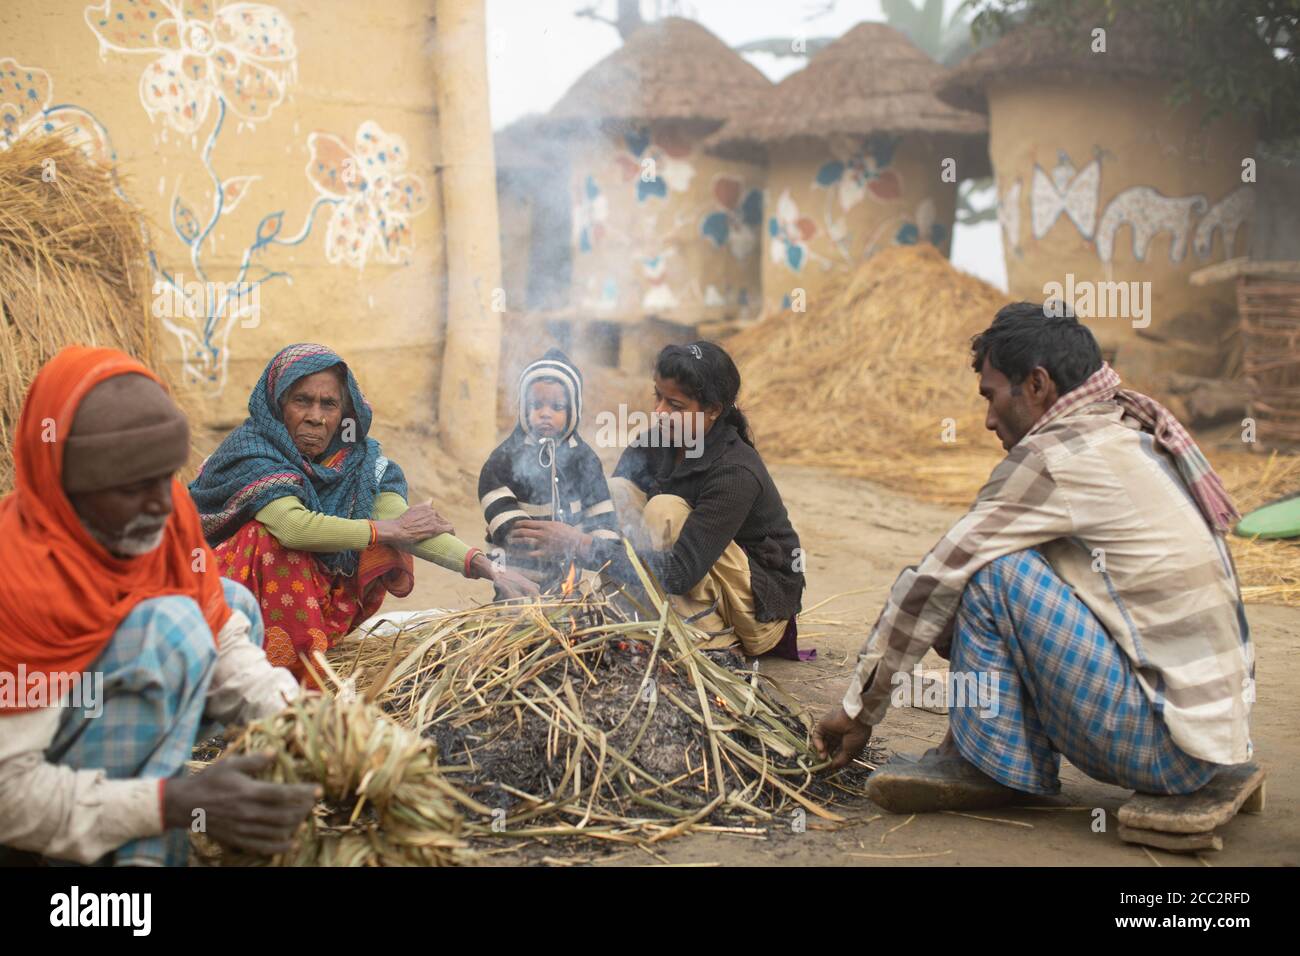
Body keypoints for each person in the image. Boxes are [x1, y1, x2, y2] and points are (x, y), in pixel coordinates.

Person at [814, 304, 1254, 812]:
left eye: (992, 396)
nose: (985, 420)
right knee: (993, 565)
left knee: (985, 571)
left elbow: (931, 583)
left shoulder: (1057, 456)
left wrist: (857, 712)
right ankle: (997, 756)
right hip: (1208, 739)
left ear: (1038, 384)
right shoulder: (1127, 428)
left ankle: (989, 763)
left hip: (1162, 748)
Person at [0, 346, 317, 866]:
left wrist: (301, 719)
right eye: (131, 487)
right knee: (170, 628)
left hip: (97, 726)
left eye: (166, 475)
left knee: (233, 603)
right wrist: (172, 804)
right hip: (29, 814)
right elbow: (9, 797)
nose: (163, 503)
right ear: (63, 485)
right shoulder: (18, 578)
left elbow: (224, 638)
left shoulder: (166, 518)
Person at [188, 343, 537, 682]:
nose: (315, 417)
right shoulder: (253, 452)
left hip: (299, 607)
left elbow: (404, 524)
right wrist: (387, 530)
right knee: (271, 540)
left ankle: (307, 650)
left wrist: (487, 567)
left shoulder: (360, 463)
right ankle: (280, 670)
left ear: (346, 413)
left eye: (329, 404)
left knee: (385, 531)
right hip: (220, 601)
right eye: (301, 401)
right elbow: (293, 527)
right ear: (278, 406)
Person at [515, 341, 805, 657]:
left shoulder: (735, 470)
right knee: (616, 492)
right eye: (658, 397)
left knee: (665, 510)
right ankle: (631, 618)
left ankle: (710, 640)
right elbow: (610, 522)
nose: (659, 412)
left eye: (675, 406)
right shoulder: (655, 442)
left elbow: (680, 572)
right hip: (683, 583)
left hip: (753, 614)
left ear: (712, 410)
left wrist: (580, 545)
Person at [477, 349, 620, 593]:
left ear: (573, 410)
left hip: (569, 573)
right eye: (536, 405)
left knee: (566, 619)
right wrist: (524, 535)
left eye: (557, 406)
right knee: (513, 616)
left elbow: (600, 509)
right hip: (517, 570)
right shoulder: (506, 455)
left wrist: (602, 547)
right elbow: (494, 495)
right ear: (523, 407)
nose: (545, 413)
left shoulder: (584, 459)